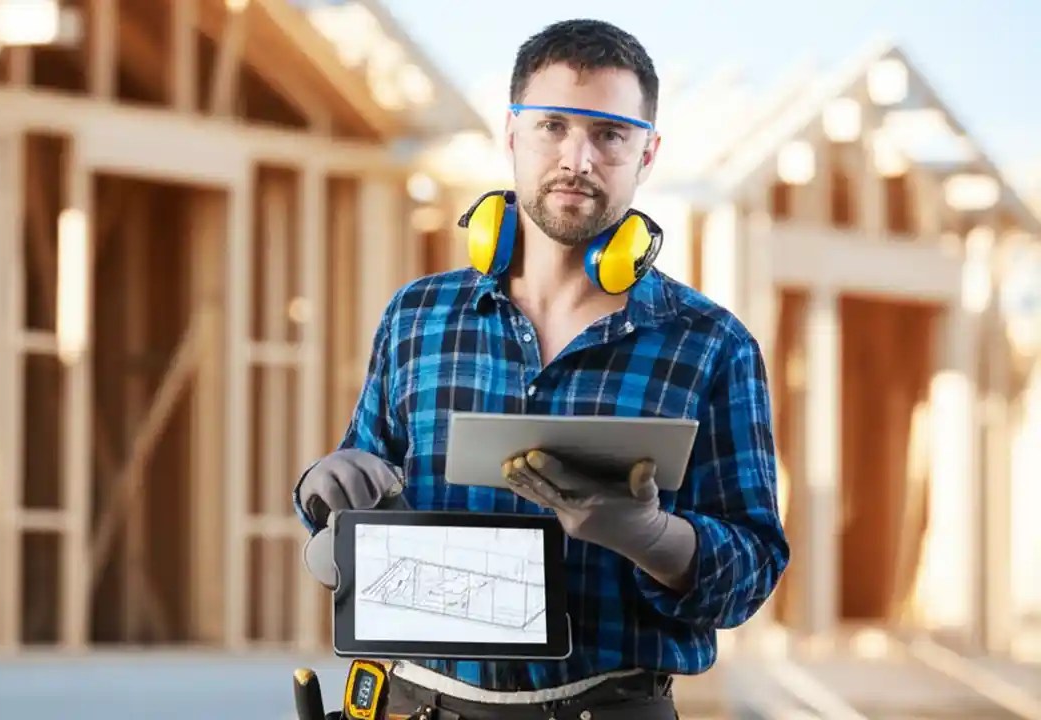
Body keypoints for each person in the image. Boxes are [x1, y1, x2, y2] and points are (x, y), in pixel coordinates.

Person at [293, 18, 789, 720]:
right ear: (513, 135)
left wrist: (651, 538)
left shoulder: (710, 344)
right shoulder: (417, 317)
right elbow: (357, 493)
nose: (577, 159)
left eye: (609, 135)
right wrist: (324, 486)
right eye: (553, 125)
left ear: (647, 154)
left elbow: (752, 572)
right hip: (415, 705)